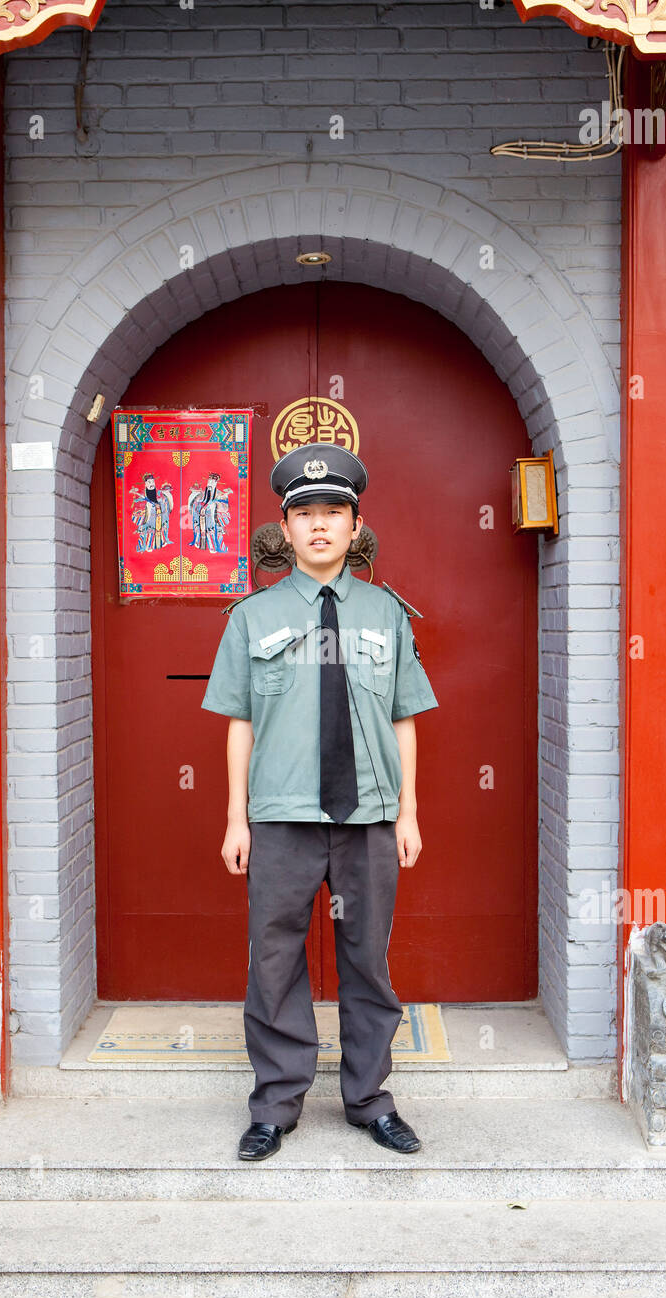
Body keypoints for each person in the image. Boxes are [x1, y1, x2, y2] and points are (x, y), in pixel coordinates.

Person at [201, 442, 438, 1161]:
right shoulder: (251, 616)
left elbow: (405, 718)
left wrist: (409, 811)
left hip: (367, 816)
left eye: (334, 510)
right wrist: (235, 818)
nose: (320, 524)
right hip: (280, 816)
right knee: (273, 961)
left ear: (356, 524)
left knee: (368, 961)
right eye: (305, 513)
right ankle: (275, 1106)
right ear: (287, 527)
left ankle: (369, 1101)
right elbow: (239, 722)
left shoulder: (386, 614)